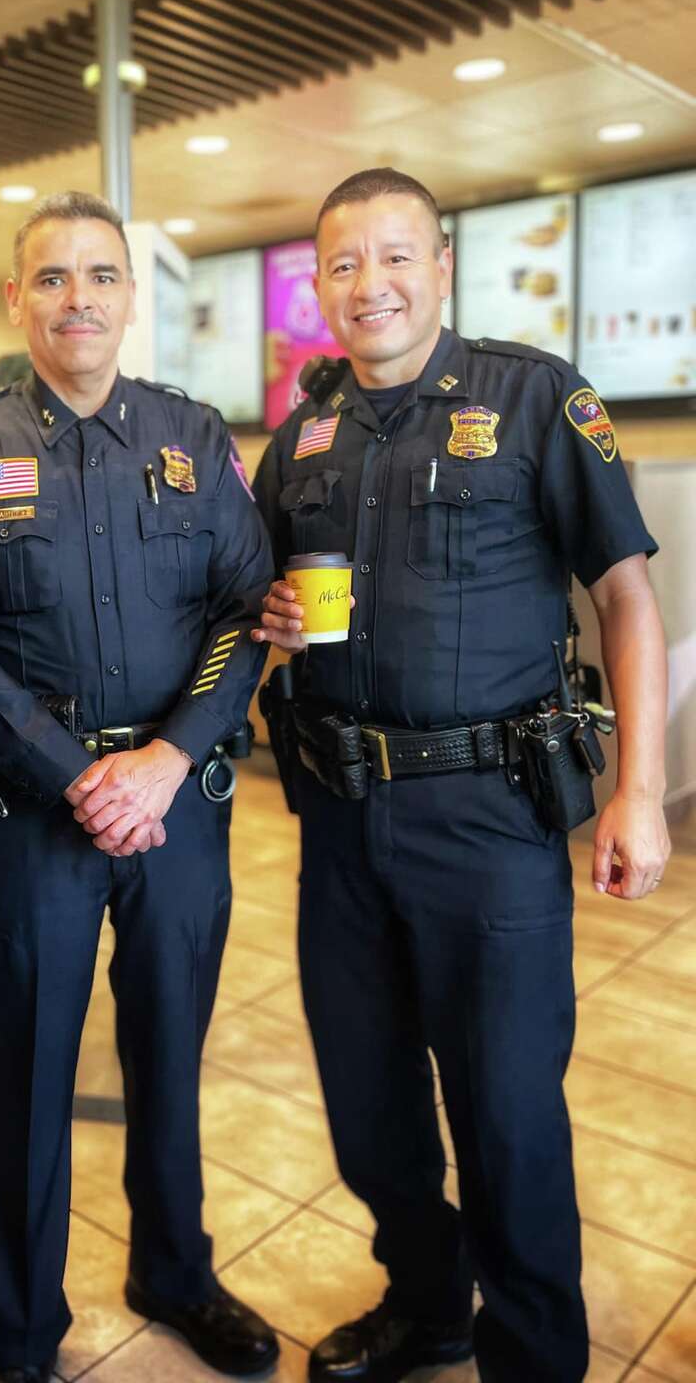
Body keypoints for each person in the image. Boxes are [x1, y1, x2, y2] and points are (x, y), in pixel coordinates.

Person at [252, 168, 671, 1383]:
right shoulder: (307, 431)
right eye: (343, 263)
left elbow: (625, 597)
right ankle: (429, 1304)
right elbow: (262, 596)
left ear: (441, 265)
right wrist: (275, 616)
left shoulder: (533, 395)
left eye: (394, 257)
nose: (369, 283)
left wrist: (640, 790)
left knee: (506, 1117)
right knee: (370, 1109)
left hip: (488, 816)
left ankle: (534, 1355)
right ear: (321, 285)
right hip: (339, 818)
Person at [0, 191, 280, 1383]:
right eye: (54, 277)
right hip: (31, 814)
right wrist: (83, 776)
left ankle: (173, 1270)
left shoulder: (191, 433)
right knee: (26, 1065)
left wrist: (169, 757)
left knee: (169, 1045)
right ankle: (23, 1326)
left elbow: (247, 612)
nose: (80, 297)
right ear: (16, 298)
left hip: (178, 800)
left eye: (103, 275)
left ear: (133, 294)